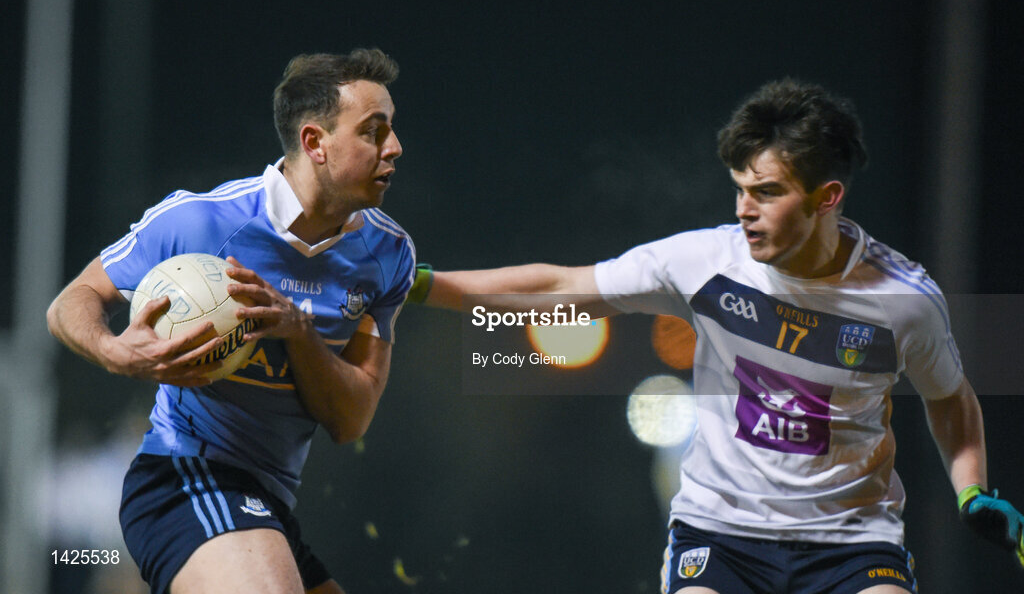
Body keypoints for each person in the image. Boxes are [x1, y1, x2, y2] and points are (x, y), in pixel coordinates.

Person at [407, 79, 1024, 593]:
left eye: (767, 193)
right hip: (721, 536)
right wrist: (418, 283)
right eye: (739, 189)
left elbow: (949, 397)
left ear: (827, 197)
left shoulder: (905, 303)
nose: (743, 210)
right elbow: (558, 288)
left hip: (851, 544)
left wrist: (970, 491)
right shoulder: (706, 264)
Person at [46, 48, 414, 594]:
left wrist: (299, 332)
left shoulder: (388, 254)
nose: (395, 147)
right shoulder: (199, 222)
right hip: (184, 480)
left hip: (267, 505)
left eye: (392, 129)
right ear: (315, 142)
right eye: (374, 131)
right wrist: (114, 350)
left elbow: (350, 420)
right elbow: (71, 301)